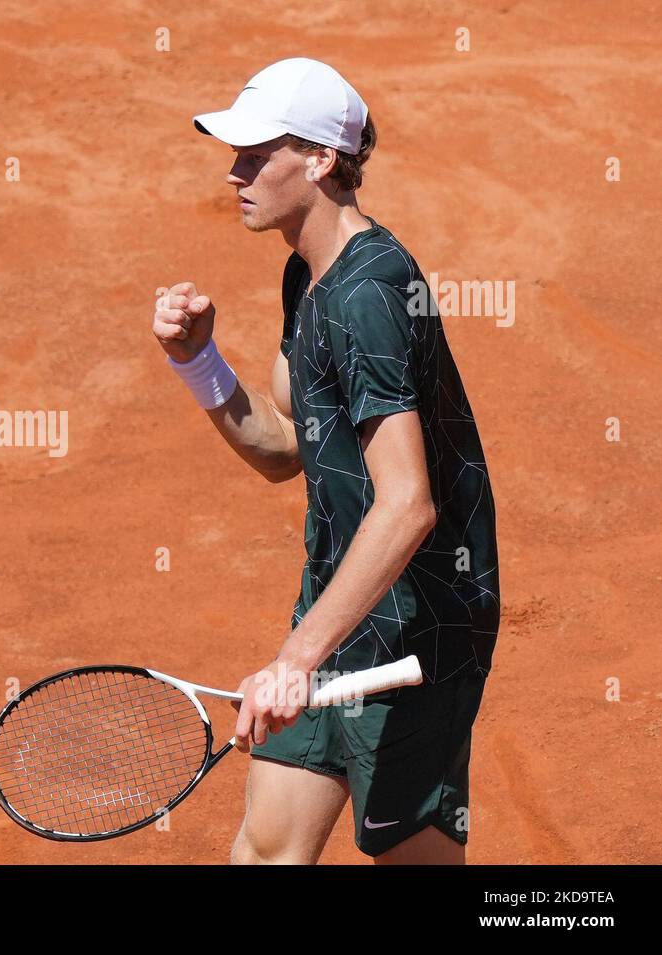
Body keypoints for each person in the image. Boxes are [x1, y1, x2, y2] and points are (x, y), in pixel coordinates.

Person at [152, 58, 500, 864]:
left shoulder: (370, 296)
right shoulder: (304, 275)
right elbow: (283, 449)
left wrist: (296, 656)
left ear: (318, 159)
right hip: (342, 601)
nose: (235, 172)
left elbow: (408, 502)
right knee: (267, 850)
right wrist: (198, 361)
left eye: (255, 154)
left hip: (420, 628)